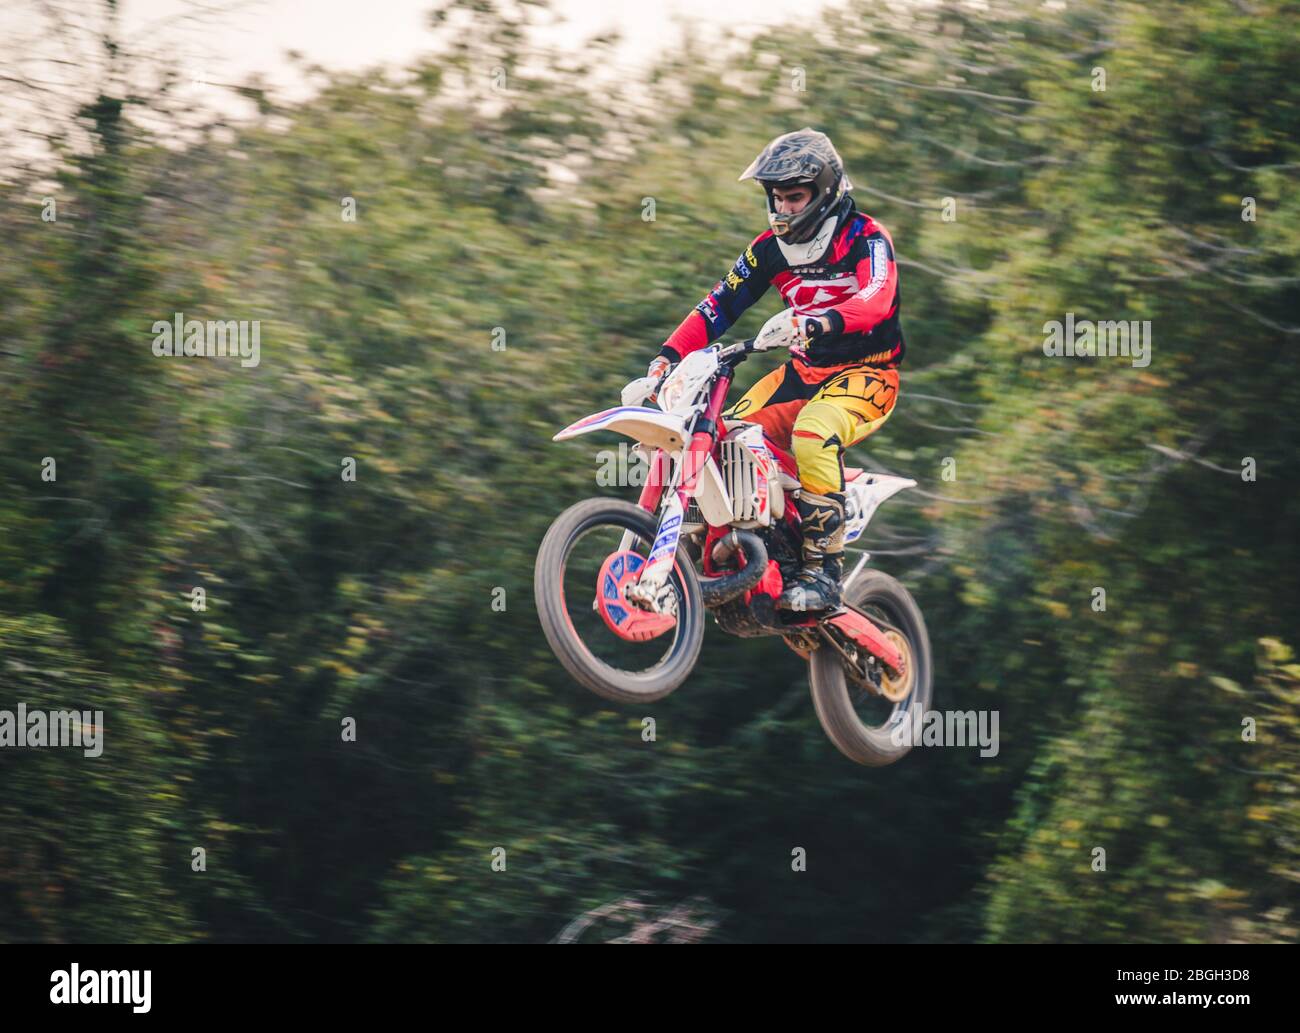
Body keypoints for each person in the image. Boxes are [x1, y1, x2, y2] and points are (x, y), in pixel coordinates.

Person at [648, 127, 904, 613]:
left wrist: (823, 320)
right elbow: (718, 306)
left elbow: (877, 298)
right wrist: (668, 355)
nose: (784, 207)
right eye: (777, 198)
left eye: (795, 197)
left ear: (825, 191)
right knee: (725, 440)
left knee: (812, 431)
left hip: (867, 374)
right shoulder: (766, 249)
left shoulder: (865, 237)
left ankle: (824, 570)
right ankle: (745, 544)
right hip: (802, 374)